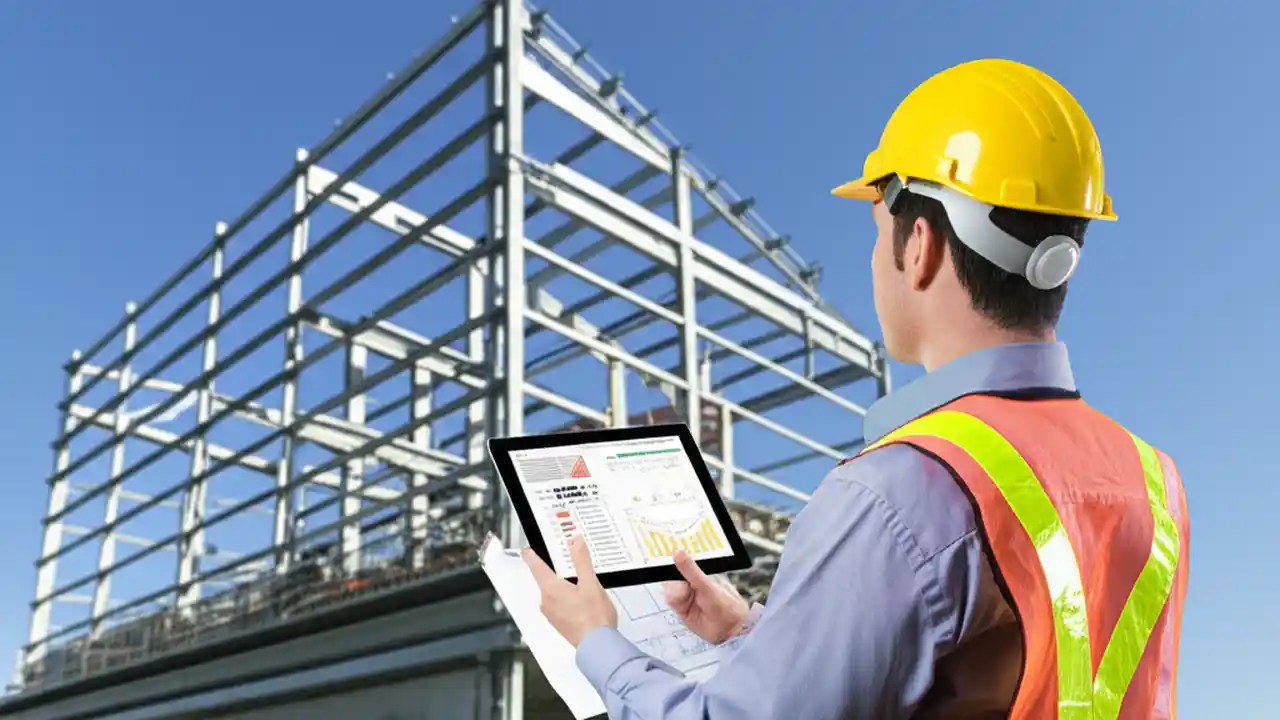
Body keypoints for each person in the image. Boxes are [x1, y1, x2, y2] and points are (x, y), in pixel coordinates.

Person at [523, 58, 1190, 719]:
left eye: (877, 234)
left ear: (920, 245)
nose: (875, 260)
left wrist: (596, 640)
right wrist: (756, 634)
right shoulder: (1156, 483)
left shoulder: (898, 493)